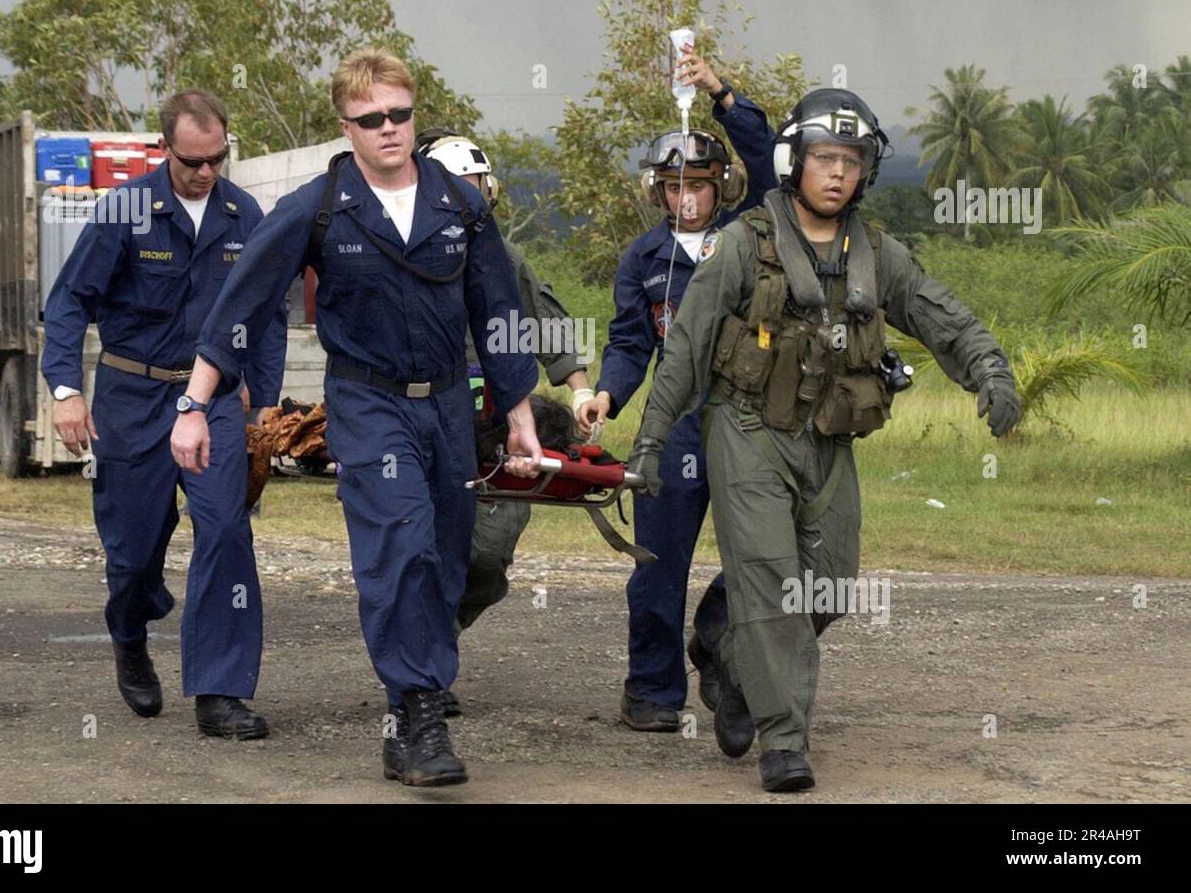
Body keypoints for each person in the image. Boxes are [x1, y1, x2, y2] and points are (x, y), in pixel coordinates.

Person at [628, 88, 1022, 791]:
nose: (838, 172)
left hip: (829, 439)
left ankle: (733, 660)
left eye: (852, 160)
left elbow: (942, 316)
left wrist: (990, 370)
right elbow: (687, 346)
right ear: (794, 162)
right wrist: (650, 443)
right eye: (824, 158)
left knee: (831, 585)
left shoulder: (876, 252)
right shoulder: (745, 244)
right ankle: (785, 742)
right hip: (747, 430)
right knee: (770, 579)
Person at [171, 48, 543, 788]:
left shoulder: (460, 205)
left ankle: (409, 712)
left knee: (444, 557)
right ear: (346, 126)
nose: (388, 128)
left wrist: (520, 414)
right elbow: (242, 305)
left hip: (447, 405)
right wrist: (194, 404)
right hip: (368, 402)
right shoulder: (316, 207)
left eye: (399, 114)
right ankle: (422, 717)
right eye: (370, 119)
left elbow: (498, 313)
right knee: (400, 546)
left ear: (414, 113)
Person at [42, 89, 286, 740]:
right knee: (133, 551)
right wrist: (65, 389)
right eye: (192, 161)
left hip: (213, 404)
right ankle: (130, 631)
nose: (206, 172)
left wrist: (264, 400)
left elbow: (265, 313)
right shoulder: (124, 209)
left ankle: (219, 692)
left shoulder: (243, 214)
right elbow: (69, 301)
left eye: (216, 159)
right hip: (132, 398)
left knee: (226, 530)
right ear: (163, 149)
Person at [576, 47, 778, 732]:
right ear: (657, 191)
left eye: (697, 185)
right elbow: (632, 343)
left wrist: (721, 92)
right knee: (658, 564)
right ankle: (652, 690)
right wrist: (607, 395)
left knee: (765, 554)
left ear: (721, 186)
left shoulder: (751, 233)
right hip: (676, 424)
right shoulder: (642, 259)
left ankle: (718, 639)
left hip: (751, 419)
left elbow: (768, 156)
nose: (684, 198)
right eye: (671, 186)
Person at [416, 130, 595, 713]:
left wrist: (581, 392)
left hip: (499, 439)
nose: (469, 201)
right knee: (422, 555)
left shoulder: (505, 261)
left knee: (486, 561)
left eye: (477, 189)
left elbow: (550, 326)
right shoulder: (399, 260)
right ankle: (423, 673)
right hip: (422, 432)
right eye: (458, 189)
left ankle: (433, 643)